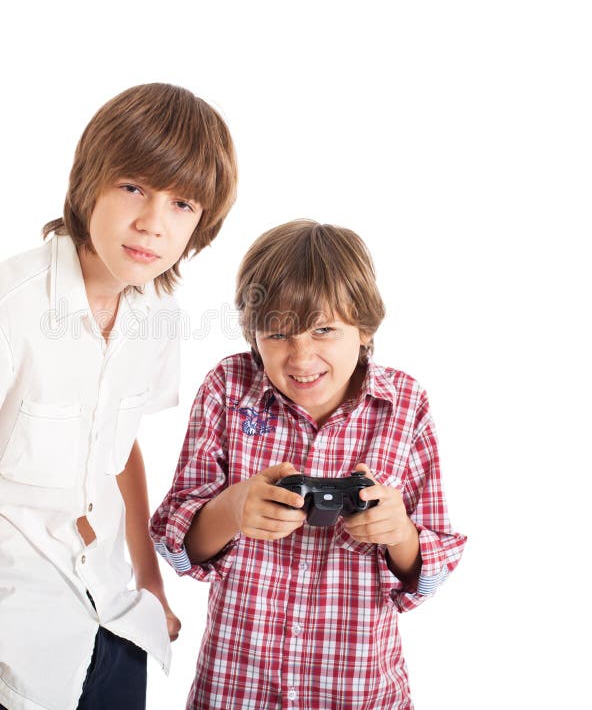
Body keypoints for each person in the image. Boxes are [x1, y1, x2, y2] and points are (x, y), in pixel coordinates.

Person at [0, 83, 238, 710]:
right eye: (133, 187)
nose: (152, 222)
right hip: (6, 649)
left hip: (114, 623)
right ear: (89, 182)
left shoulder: (156, 314)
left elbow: (118, 447)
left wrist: (151, 582)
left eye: (182, 203)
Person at [150, 220, 466, 709]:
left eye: (324, 330)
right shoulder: (228, 389)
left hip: (358, 690)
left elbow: (430, 570)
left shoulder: (404, 405)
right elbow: (177, 545)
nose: (301, 357)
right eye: (278, 333)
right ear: (253, 334)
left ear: (364, 329)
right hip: (238, 687)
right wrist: (233, 508)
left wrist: (398, 532)